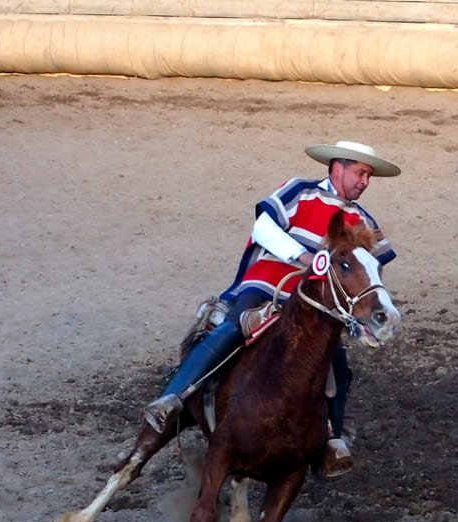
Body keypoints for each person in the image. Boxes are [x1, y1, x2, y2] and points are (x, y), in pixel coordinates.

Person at [143, 140, 401, 477]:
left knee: (337, 363)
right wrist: (305, 258)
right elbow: (263, 228)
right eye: (360, 172)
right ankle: (173, 397)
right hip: (268, 284)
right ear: (337, 168)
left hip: (314, 309)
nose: (364, 180)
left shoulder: (363, 221)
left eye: (368, 175)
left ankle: (331, 441)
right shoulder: (301, 190)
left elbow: (370, 271)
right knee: (235, 326)